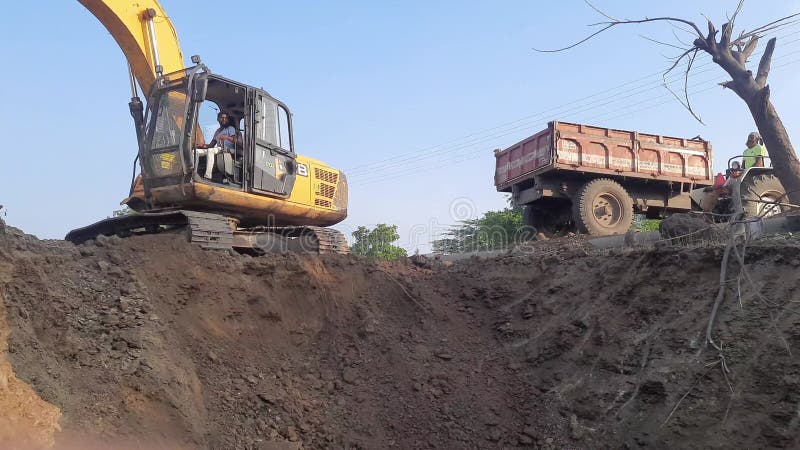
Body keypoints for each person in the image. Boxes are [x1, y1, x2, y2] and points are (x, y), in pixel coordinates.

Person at [195, 112, 237, 180]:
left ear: (228, 120)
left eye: (225, 118)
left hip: (227, 149)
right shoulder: (217, 131)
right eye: (222, 118)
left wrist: (226, 137)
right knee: (195, 151)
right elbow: (211, 145)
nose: (223, 119)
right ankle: (194, 172)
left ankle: (208, 176)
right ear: (218, 119)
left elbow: (234, 140)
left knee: (211, 150)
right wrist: (202, 145)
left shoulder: (230, 128)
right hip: (218, 148)